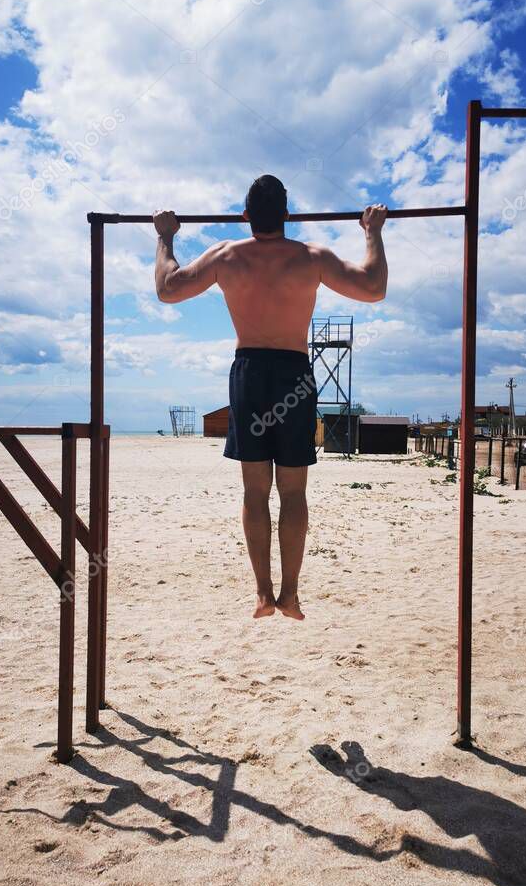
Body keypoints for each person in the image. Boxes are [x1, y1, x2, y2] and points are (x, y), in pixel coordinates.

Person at [154, 175, 388, 620]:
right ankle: (291, 593)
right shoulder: (311, 257)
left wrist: (166, 237)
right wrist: (372, 232)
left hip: (250, 375)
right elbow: (373, 287)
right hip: (293, 375)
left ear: (245, 217)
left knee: (255, 490)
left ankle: (264, 593)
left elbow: (168, 289)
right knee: (293, 493)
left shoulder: (226, 255)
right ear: (287, 214)